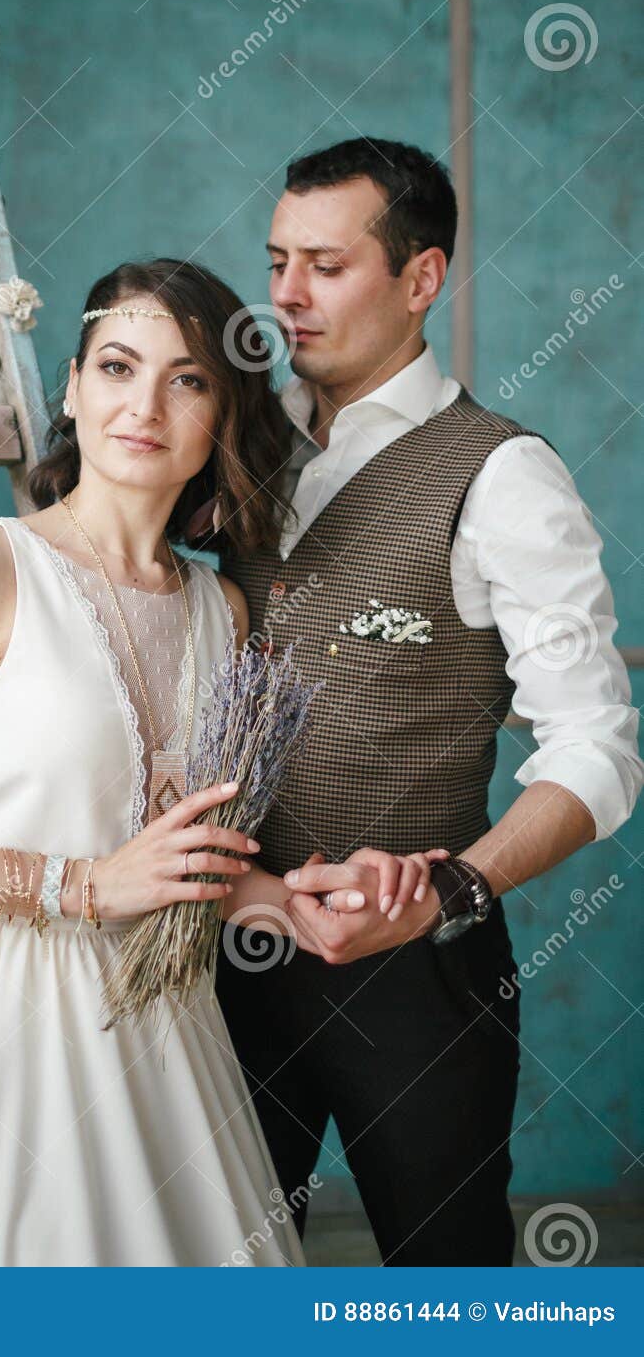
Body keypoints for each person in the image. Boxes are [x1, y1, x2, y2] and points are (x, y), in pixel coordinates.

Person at [0, 257, 426, 1268]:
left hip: (165, 1016)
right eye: (115, 366)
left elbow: (175, 862)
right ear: (70, 387)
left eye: (186, 380)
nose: (143, 406)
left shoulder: (219, 608)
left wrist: (293, 905)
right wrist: (85, 887)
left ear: (222, 414)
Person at [211, 137, 643, 1266]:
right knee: (215, 1270)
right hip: (226, 940)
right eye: (276, 262)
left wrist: (450, 888)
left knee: (445, 1273)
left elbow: (596, 746)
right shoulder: (235, 444)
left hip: (420, 962)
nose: (287, 295)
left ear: (420, 278)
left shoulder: (501, 474)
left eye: (325, 265)